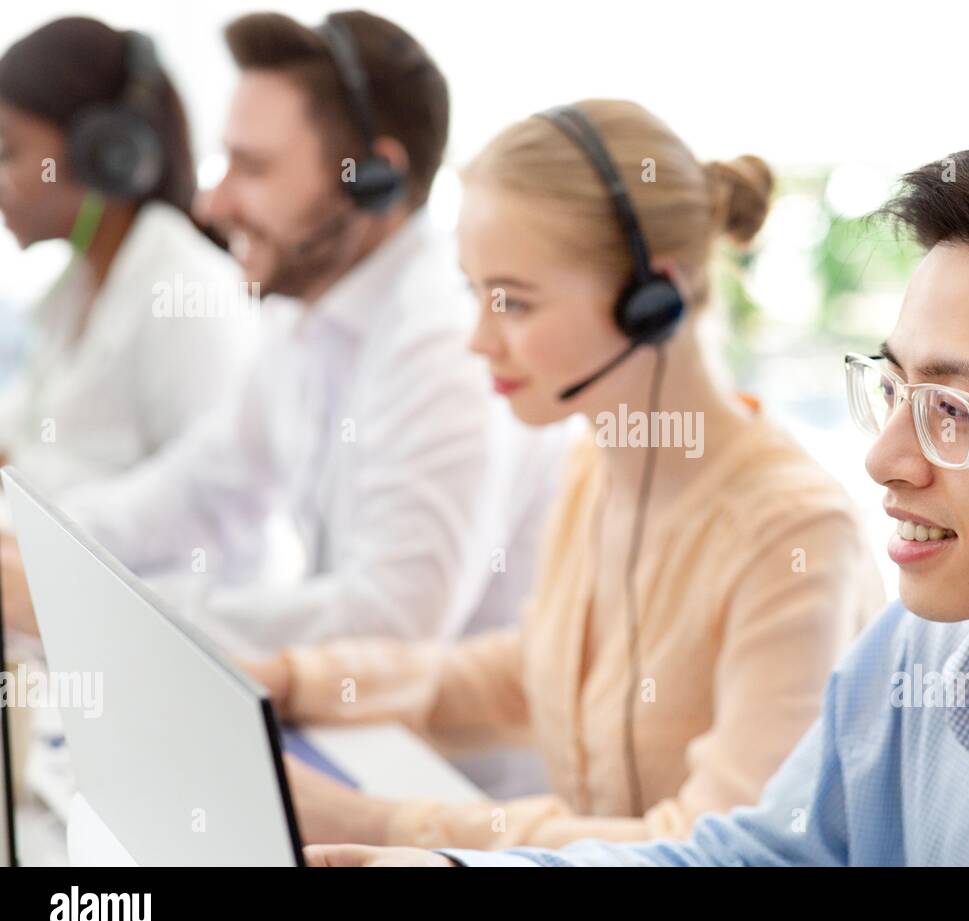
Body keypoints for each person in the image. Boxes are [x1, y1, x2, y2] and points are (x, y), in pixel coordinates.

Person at [308, 136, 969, 867]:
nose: (883, 457)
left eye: (952, 407)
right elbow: (756, 857)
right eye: (893, 387)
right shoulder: (921, 651)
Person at [246, 99, 882, 851]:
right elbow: (533, 671)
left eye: (512, 300)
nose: (478, 340)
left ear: (652, 300)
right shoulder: (596, 464)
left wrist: (381, 824)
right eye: (473, 293)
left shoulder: (792, 536)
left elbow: (710, 846)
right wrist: (293, 679)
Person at [0, 11, 563, 657]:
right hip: (346, 730)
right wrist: (35, 545)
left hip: (434, 754)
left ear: (372, 179)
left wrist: (88, 602)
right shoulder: (301, 315)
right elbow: (201, 487)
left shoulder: (443, 345)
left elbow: (388, 625)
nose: (214, 205)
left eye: (252, 168)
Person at [0, 18, 254, 495]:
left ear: (102, 154)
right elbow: (22, 440)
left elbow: (217, 505)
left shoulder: (183, 293)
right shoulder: (77, 287)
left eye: (7, 150)